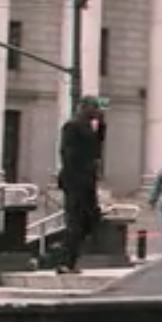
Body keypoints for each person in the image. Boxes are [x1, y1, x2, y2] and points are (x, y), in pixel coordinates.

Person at [57, 99, 104, 275]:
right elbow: (67, 153)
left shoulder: (90, 128)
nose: (96, 111)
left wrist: (101, 125)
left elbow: (97, 147)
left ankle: (71, 259)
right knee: (74, 221)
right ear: (84, 108)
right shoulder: (72, 126)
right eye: (94, 108)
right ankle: (66, 261)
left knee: (89, 219)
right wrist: (76, 173)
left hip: (87, 180)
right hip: (76, 179)